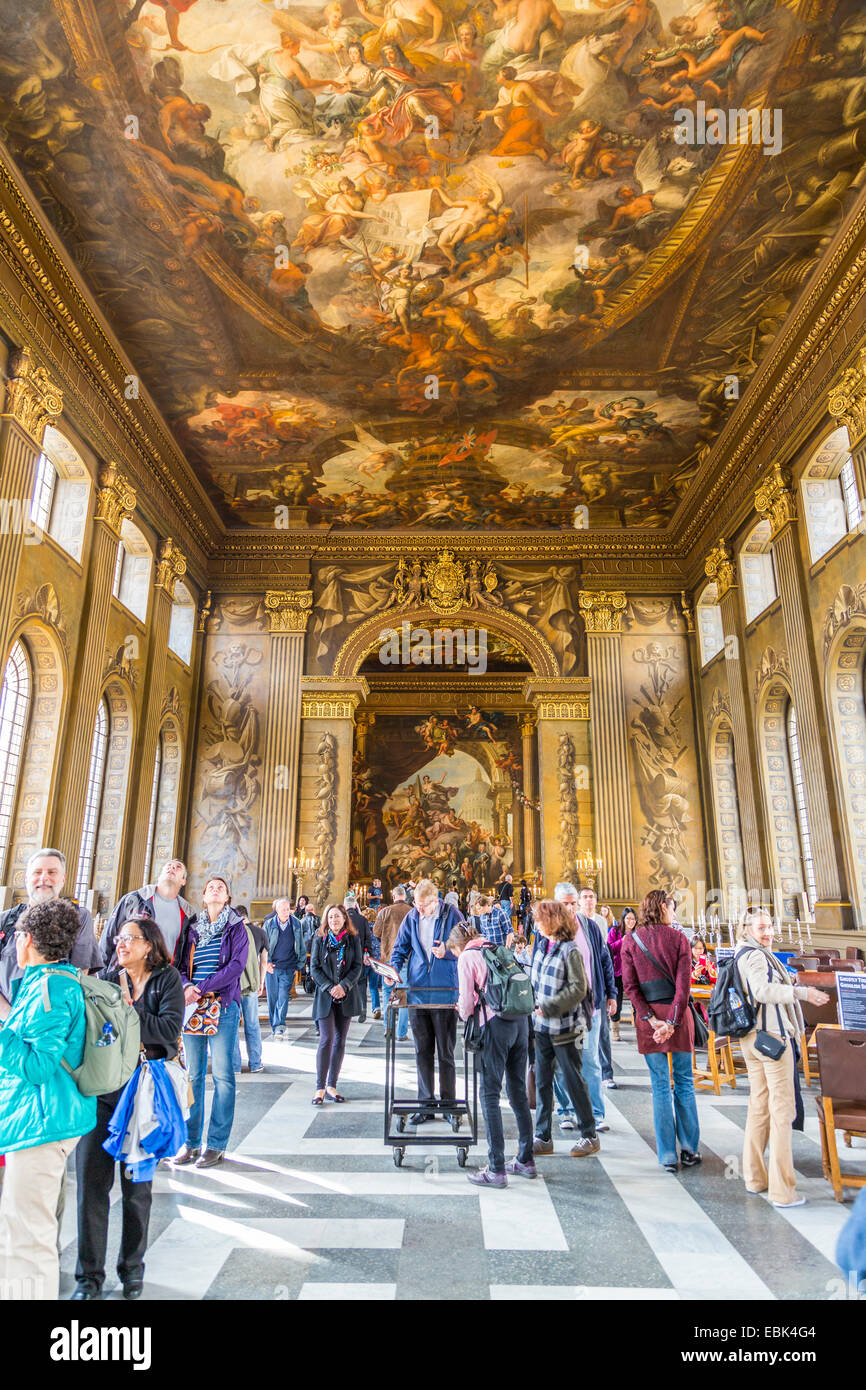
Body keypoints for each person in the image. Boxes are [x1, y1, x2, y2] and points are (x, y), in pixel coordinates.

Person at [72, 914, 184, 1301]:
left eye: (131, 938)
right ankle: (88, 1277)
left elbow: (167, 1031)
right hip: (102, 1093)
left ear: (149, 945)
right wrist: (126, 1014)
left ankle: (132, 1270)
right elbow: (91, 1029)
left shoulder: (167, 980)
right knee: (90, 1186)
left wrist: (124, 1010)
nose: (121, 944)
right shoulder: (104, 980)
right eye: (119, 938)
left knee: (137, 1189)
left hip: (143, 1095)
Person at [0, 899, 96, 1301]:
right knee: (17, 1229)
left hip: (43, 1122)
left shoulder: (52, 988)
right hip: (32, 1117)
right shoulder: (44, 981)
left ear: (30, 940)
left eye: (19, 935)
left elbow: (38, 1066)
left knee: (28, 1237)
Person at [735, 910, 828, 1208]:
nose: (768, 932)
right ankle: (782, 1191)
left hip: (752, 1038)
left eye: (770, 926)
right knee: (782, 1112)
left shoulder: (742, 952)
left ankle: (755, 1177)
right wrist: (801, 992)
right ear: (746, 928)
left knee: (759, 1106)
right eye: (761, 927)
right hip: (771, 1039)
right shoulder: (756, 956)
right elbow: (761, 990)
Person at [621, 889, 701, 1173]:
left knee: (659, 1087)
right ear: (663, 908)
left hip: (649, 1021)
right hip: (676, 1017)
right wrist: (672, 1022)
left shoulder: (630, 941)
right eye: (672, 908)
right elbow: (683, 987)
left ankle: (667, 1154)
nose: (675, 913)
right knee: (684, 1082)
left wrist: (651, 1019)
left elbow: (629, 987)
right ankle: (690, 1149)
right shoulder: (679, 938)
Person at [451, 921, 535, 1187]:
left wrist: (462, 1012)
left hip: (494, 1027)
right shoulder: (498, 948)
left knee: (488, 1094)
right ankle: (525, 1158)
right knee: (517, 1091)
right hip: (520, 1023)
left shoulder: (467, 956)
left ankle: (496, 1168)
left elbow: (466, 1003)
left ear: (457, 945)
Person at [174, 876, 249, 1169]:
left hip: (223, 1004)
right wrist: (186, 986)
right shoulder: (191, 928)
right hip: (193, 1006)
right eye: (210, 888)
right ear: (203, 896)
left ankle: (216, 1145)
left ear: (227, 897)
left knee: (222, 1076)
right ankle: (191, 1143)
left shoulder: (235, 926)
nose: (215, 890)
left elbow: (236, 966)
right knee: (193, 1075)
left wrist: (202, 987)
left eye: (221, 887)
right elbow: (180, 965)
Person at [527, 899, 599, 1160]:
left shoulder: (570, 951)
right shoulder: (543, 947)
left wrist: (550, 1006)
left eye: (539, 919)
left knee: (573, 1079)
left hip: (568, 1027)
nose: (536, 923)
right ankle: (543, 1136)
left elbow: (578, 988)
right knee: (543, 1080)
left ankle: (589, 1133)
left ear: (552, 920)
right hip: (543, 1027)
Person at [390, 877, 463, 1126]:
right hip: (418, 992)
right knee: (422, 1051)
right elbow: (399, 948)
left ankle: (450, 1105)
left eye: (424, 905)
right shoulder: (412, 917)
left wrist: (448, 951)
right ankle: (426, 1104)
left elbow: (468, 946)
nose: (420, 909)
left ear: (436, 899)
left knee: (446, 1052)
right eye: (417, 904)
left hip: (445, 991)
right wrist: (394, 972)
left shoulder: (452, 914)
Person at [0, 848, 103, 1014]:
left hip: (54, 1019)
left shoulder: (79, 918)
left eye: (52, 872)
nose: (44, 878)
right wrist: (11, 1019)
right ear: (26, 879)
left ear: (62, 880)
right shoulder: (5, 920)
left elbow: (80, 974)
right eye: (37, 872)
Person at [551, 884, 615, 1131]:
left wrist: (611, 993)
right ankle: (565, 1110)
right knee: (561, 1063)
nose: (570, 907)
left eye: (573, 902)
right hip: (560, 1008)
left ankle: (596, 1113)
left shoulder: (589, 927)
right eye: (565, 903)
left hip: (590, 1006)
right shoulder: (548, 929)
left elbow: (604, 960)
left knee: (590, 1061)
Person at [309, 904, 365, 1104]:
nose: (334, 920)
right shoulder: (319, 940)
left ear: (344, 919)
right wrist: (329, 987)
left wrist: (344, 986)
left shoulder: (353, 940)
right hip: (326, 996)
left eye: (338, 917)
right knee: (327, 1039)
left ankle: (332, 1085)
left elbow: (357, 966)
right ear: (326, 920)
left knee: (340, 1040)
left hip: (346, 995)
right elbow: (314, 968)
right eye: (331, 917)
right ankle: (319, 1088)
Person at [101, 858, 193, 966]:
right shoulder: (133, 899)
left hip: (163, 977)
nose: (172, 867)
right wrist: (101, 973)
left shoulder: (188, 913)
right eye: (168, 865)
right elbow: (109, 936)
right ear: (159, 876)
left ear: (183, 881)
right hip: (126, 973)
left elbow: (186, 953)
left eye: (178, 867)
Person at [579, 884, 618, 1092]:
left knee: (602, 1031)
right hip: (579, 987)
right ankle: (582, 1073)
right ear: (579, 901)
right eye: (584, 897)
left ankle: (606, 1072)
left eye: (591, 896)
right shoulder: (574, 922)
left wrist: (612, 992)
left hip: (599, 983)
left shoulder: (601, 921)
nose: (588, 900)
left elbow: (605, 957)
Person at [373, 885, 411, 1038]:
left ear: (394, 897)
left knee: (387, 992)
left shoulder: (385, 911)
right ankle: (402, 1033)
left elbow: (376, 932)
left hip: (388, 957)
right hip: (407, 958)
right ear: (405, 896)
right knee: (404, 995)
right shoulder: (411, 911)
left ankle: (387, 1028)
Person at [233, 908, 268, 1073]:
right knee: (252, 1024)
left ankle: (234, 1065)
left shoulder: (231, 930)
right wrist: (261, 982)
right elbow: (264, 960)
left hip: (233, 984)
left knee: (232, 1026)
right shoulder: (260, 932)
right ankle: (255, 1062)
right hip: (251, 984)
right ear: (247, 915)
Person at [263, 898, 304, 1038]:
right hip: (272, 967)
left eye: (288, 909)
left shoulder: (297, 924)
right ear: (277, 910)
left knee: (283, 997)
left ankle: (279, 1025)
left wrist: (298, 965)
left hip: (288, 967)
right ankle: (274, 1025)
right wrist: (266, 963)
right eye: (283, 909)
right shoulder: (269, 924)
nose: (286, 912)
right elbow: (263, 947)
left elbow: (301, 945)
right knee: (273, 998)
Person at [344, 890, 376, 1019]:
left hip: (345, 956)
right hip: (359, 955)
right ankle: (363, 1008)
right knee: (361, 983)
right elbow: (368, 939)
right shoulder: (363, 919)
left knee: (346, 982)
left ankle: (348, 1010)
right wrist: (367, 953)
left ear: (345, 906)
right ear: (355, 906)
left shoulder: (343, 918)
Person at [607, 906, 637, 1041]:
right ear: (623, 919)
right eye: (628, 918)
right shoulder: (615, 931)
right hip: (618, 971)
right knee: (616, 1001)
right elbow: (608, 949)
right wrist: (622, 941)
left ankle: (640, 1028)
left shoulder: (638, 933)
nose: (631, 921)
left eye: (633, 919)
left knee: (637, 1000)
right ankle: (615, 1029)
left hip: (634, 972)